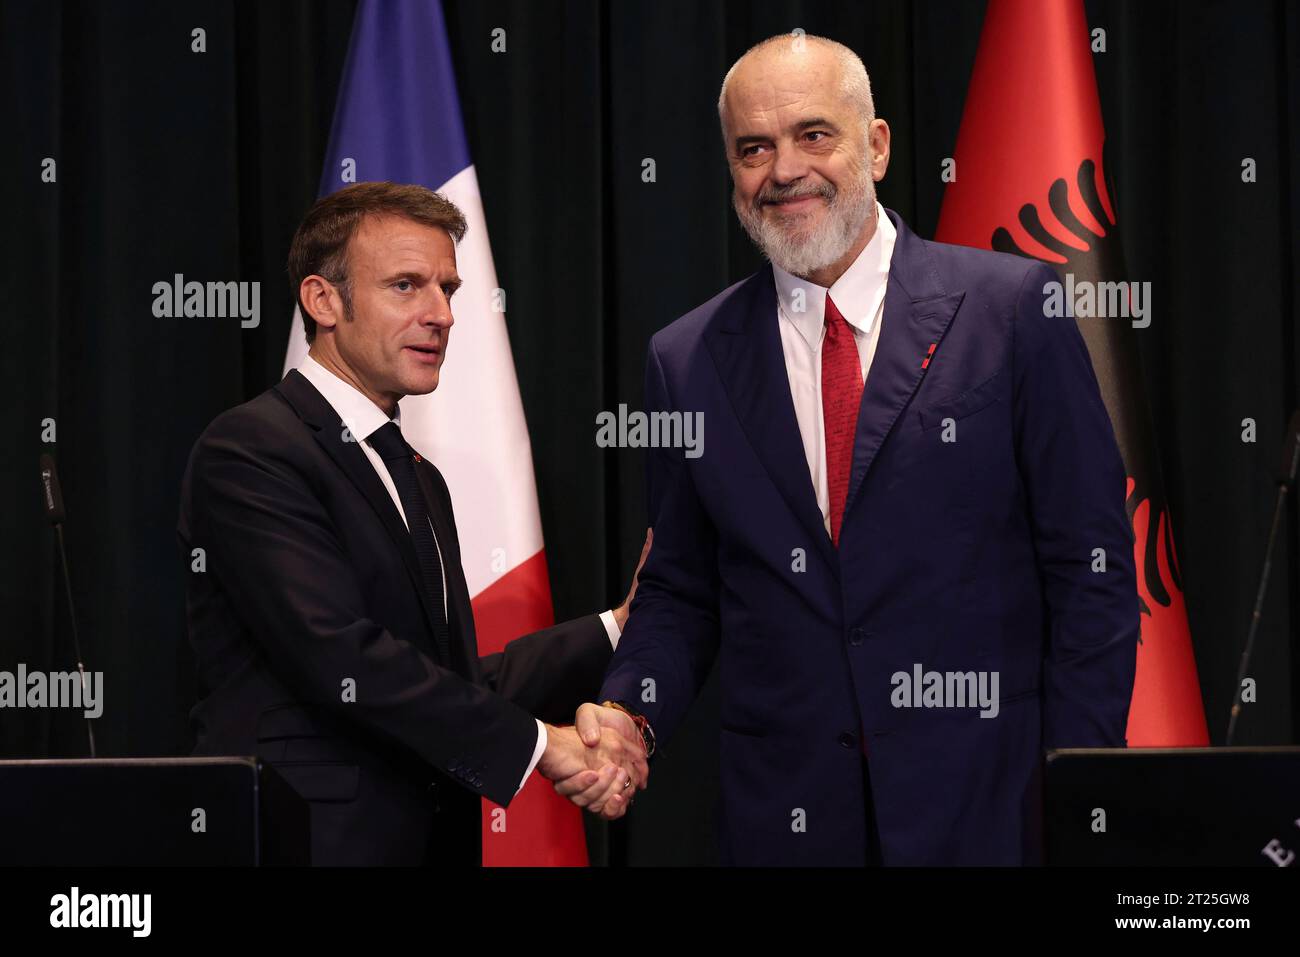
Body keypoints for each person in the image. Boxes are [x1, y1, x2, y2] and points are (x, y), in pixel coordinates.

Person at [557, 34, 1139, 865]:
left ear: (877, 145)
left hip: (992, 812)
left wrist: (1080, 793)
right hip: (784, 826)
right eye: (754, 149)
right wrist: (629, 715)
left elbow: (1091, 572)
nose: (785, 170)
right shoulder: (685, 359)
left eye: (813, 135)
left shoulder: (1011, 309)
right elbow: (682, 588)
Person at [179, 181, 646, 866]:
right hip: (306, 847)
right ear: (323, 300)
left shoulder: (419, 477)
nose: (442, 315)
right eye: (406, 286)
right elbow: (341, 657)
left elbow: (446, 681)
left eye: (447, 289)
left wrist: (618, 626)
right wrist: (545, 745)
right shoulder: (252, 449)